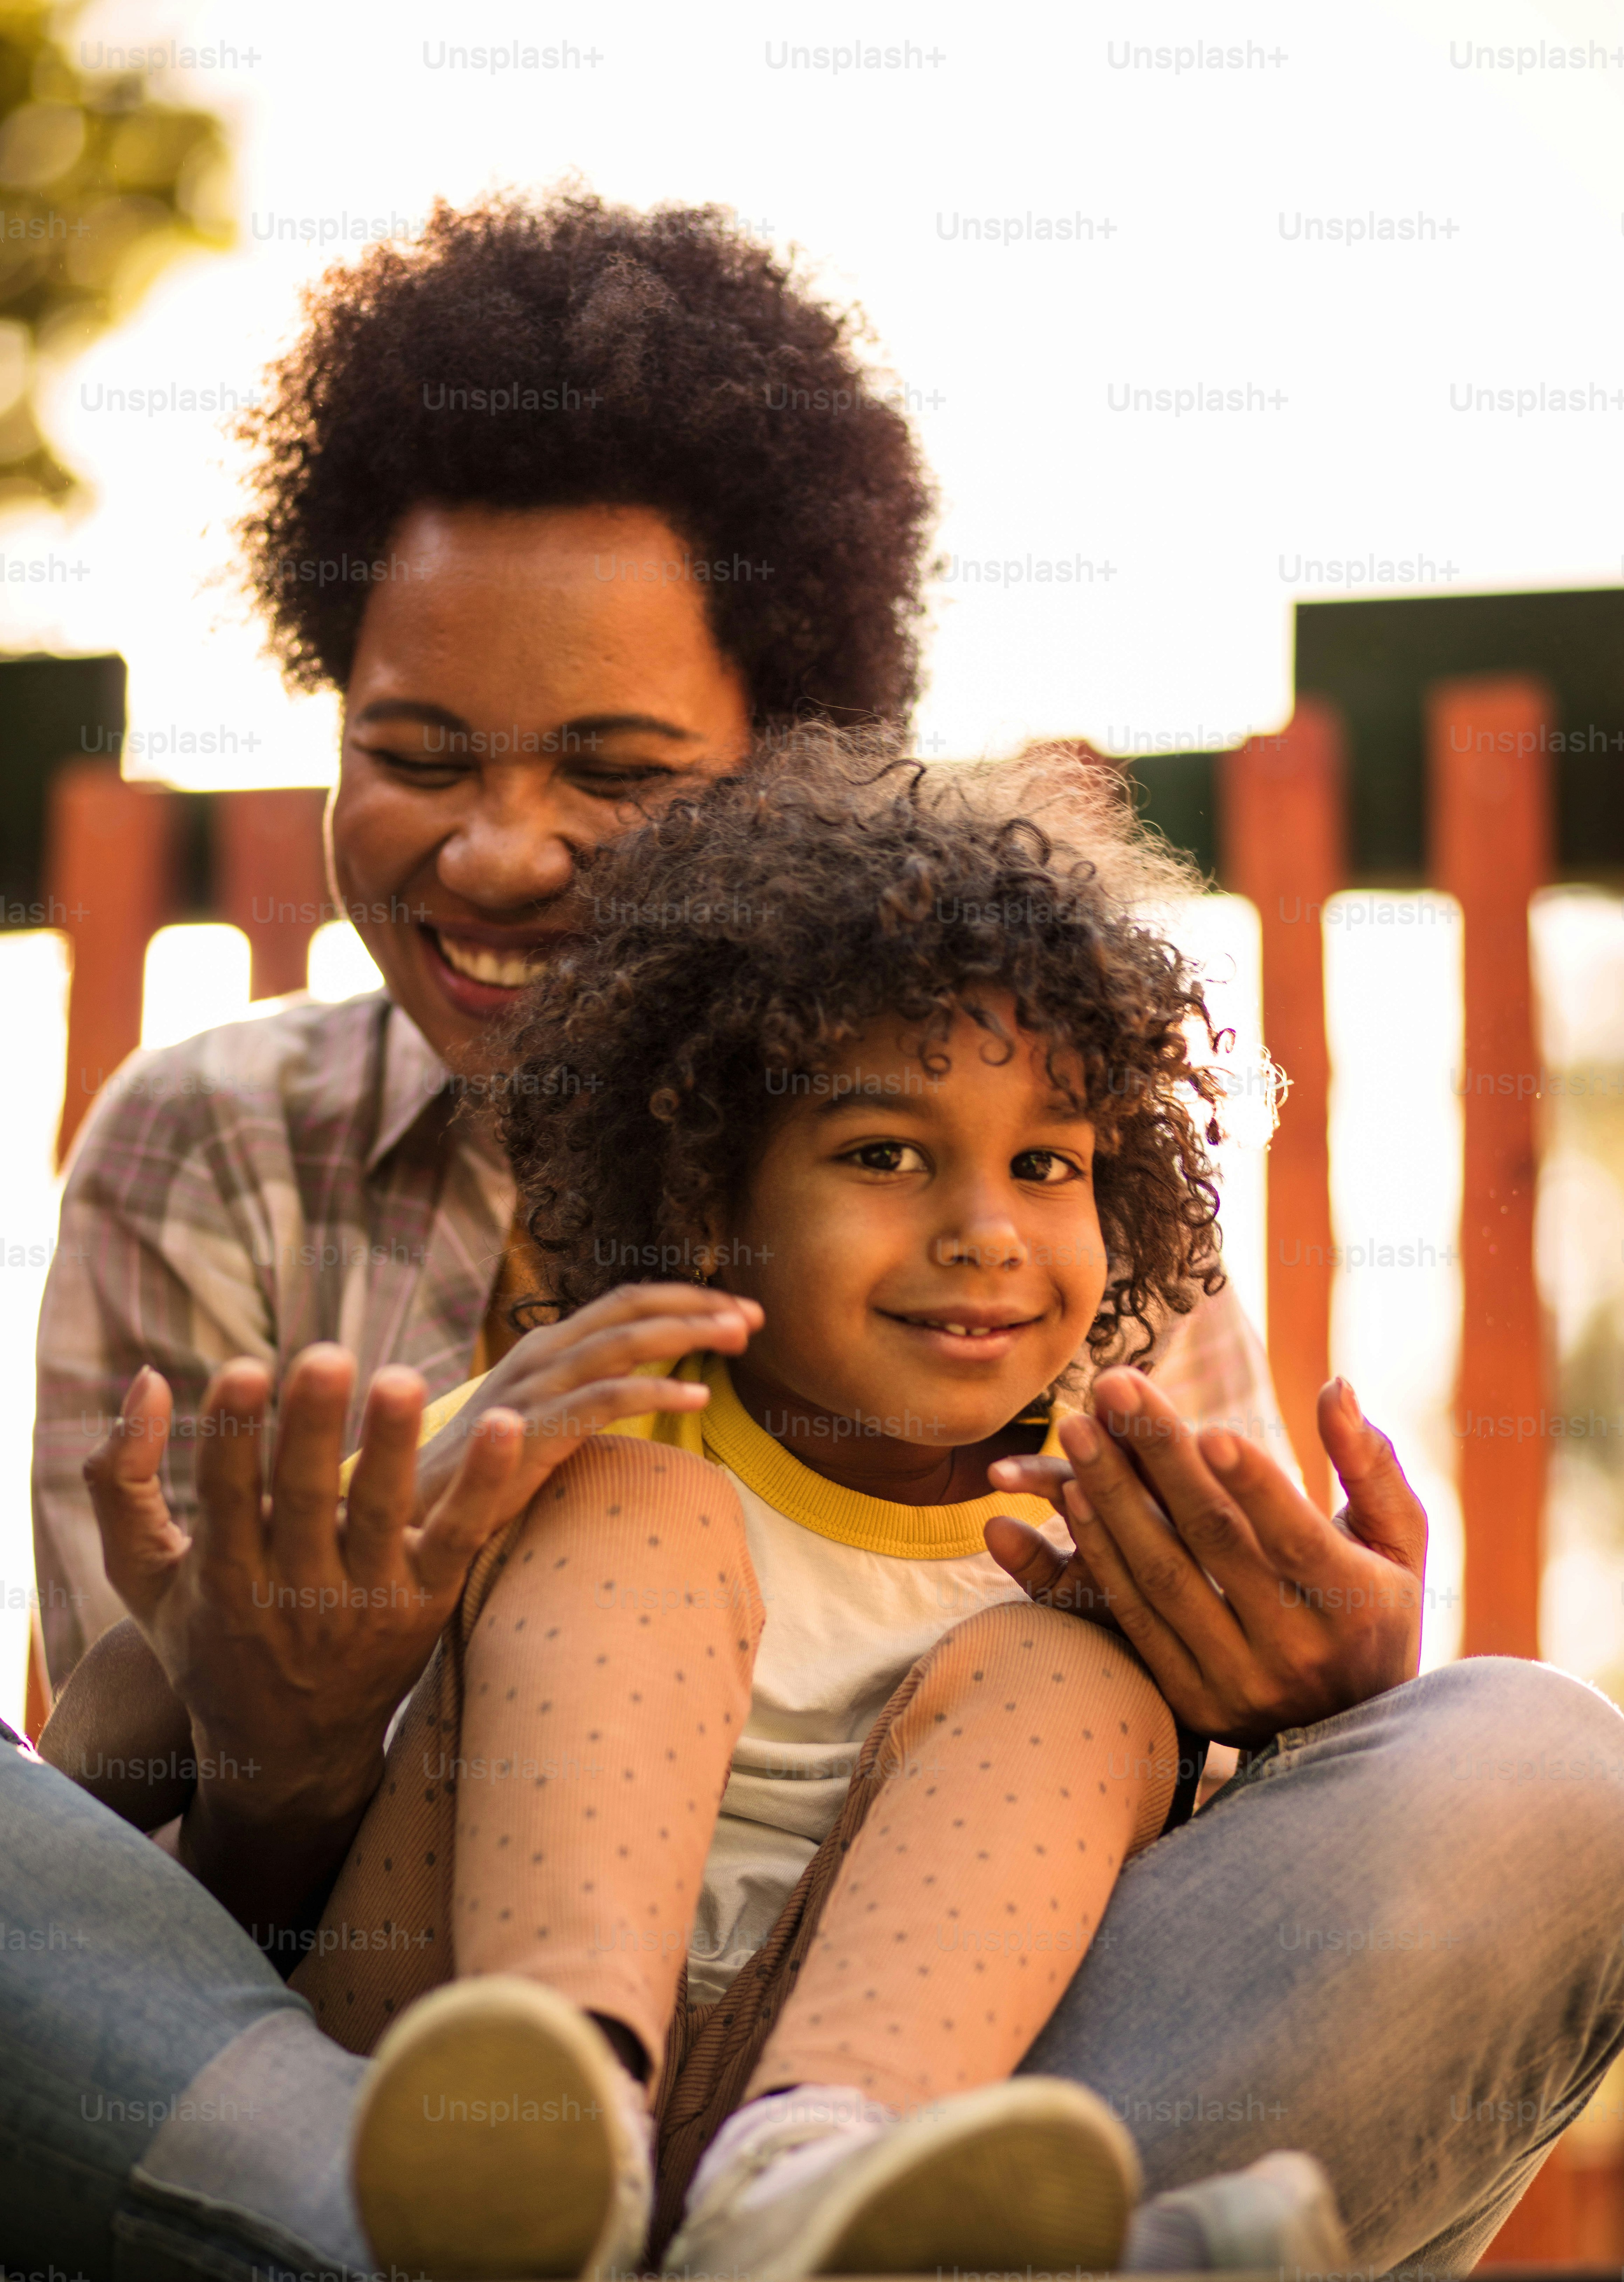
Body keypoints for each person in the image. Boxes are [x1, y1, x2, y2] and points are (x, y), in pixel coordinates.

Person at [280, 741, 1309, 2280]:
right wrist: (353, 1554)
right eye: (885, 1154)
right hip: (456, 2080)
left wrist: (1298, 1704)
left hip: (858, 2087)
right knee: (631, 1506)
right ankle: (549, 2122)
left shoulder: (1102, 1511)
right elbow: (170, 1712)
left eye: (1048, 1164)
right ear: (709, 1196)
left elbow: (1244, 1878)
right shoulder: (594, 1406)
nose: (983, 1232)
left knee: (1082, 1672)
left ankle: (808, 2183)